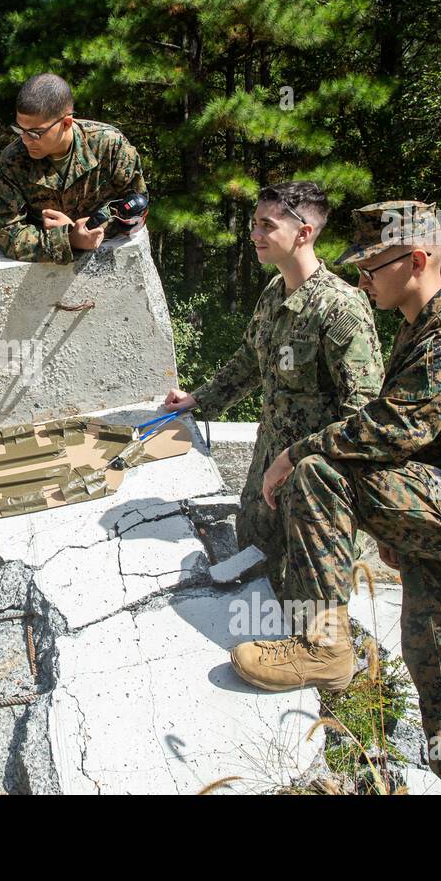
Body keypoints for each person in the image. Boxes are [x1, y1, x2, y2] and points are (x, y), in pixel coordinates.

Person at [231, 200, 441, 795]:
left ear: (417, 259)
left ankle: (322, 643)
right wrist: (402, 523)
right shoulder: (419, 326)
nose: (363, 278)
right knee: (439, 651)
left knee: (319, 470)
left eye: (373, 267)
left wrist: (294, 453)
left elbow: (394, 427)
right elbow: (423, 437)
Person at [163, 182, 382, 594]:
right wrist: (198, 401)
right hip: (266, 462)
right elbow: (249, 362)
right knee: (254, 571)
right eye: (253, 224)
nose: (254, 235)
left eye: (267, 225)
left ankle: (309, 653)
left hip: (313, 478)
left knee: (307, 590)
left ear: (304, 233)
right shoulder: (273, 293)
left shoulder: (340, 308)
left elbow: (363, 414)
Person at [0, 73, 147, 263]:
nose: (25, 139)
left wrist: (93, 228)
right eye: (20, 129)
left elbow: (136, 205)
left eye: (36, 133)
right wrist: (67, 239)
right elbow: (3, 231)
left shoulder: (109, 145)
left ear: (66, 123)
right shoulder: (12, 161)